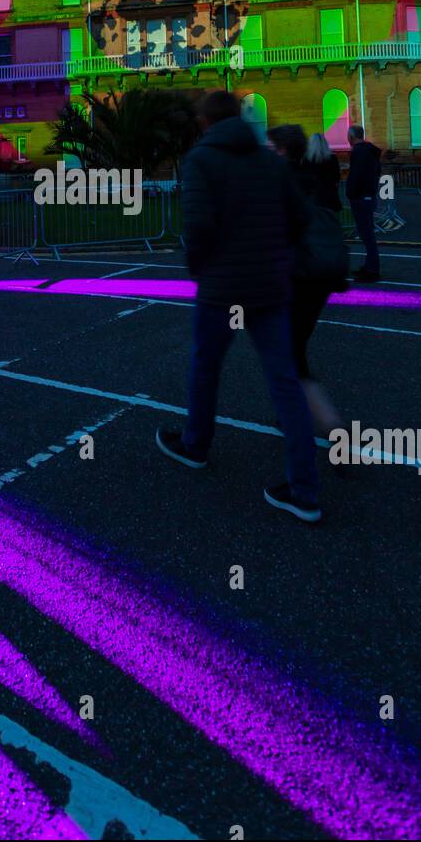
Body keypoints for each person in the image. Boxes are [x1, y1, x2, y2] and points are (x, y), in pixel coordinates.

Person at [155, 91, 322, 524]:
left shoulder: (201, 160)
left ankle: (196, 445)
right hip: (268, 285)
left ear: (206, 123)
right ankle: (305, 490)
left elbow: (197, 225)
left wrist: (200, 268)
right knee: (285, 382)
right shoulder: (270, 160)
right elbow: (301, 219)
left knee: (206, 368)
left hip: (222, 286)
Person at [268, 125, 345, 437]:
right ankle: (314, 417)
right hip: (324, 274)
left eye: (271, 148)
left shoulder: (278, 181)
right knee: (294, 349)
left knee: (286, 354)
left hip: (296, 275)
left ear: (283, 150)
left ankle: (325, 423)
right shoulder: (312, 179)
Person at [346, 125, 382, 281]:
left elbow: (356, 176)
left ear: (352, 137)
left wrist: (350, 192)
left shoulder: (359, 152)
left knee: (367, 235)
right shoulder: (370, 152)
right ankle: (369, 266)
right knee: (368, 234)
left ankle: (372, 270)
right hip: (368, 196)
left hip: (361, 197)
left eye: (348, 136)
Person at [300, 132, 342, 211]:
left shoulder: (307, 159)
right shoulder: (332, 158)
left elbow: (304, 178)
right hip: (329, 195)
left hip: (313, 196)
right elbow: (336, 177)